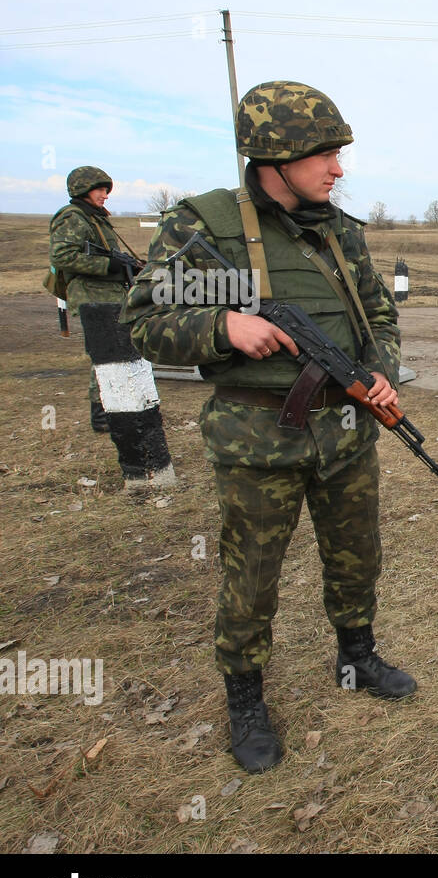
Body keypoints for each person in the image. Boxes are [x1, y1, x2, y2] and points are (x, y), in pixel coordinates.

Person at [121, 81, 416, 773]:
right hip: (257, 442)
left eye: (338, 155)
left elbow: (379, 317)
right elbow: (144, 318)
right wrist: (224, 324)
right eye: (323, 156)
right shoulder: (205, 226)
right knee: (251, 575)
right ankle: (246, 699)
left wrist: (381, 372)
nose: (338, 169)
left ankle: (357, 657)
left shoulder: (339, 232)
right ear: (272, 158)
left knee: (356, 554)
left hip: (346, 433)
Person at [49, 167, 141, 431]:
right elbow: (62, 257)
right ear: (83, 190)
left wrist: (128, 266)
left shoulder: (94, 217)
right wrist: (108, 266)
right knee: (106, 353)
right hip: (93, 296)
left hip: (108, 294)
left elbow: (108, 256)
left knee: (119, 350)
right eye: (100, 190)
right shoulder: (73, 217)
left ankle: (116, 408)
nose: (105, 196)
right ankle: (102, 415)